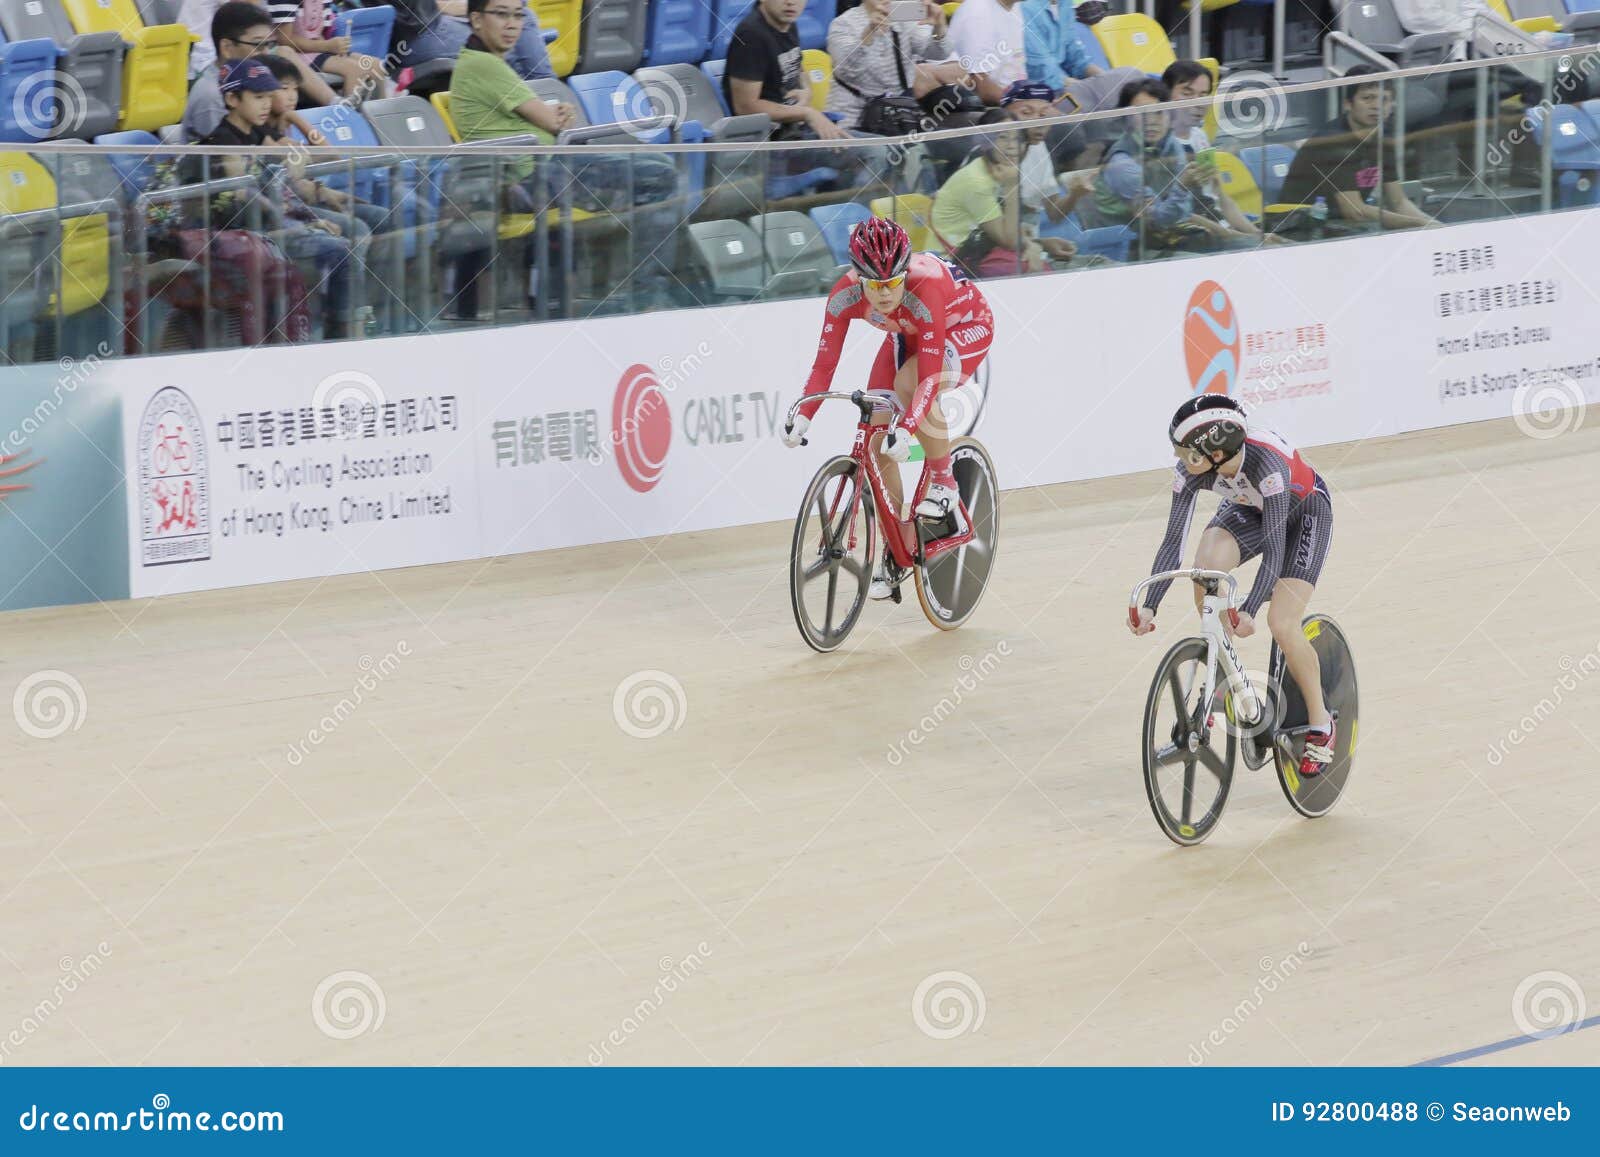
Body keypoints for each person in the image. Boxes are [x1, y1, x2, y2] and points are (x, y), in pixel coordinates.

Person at [781, 218, 995, 599]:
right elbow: (824, 365)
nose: (884, 293)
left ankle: (945, 484)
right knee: (878, 441)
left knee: (907, 385)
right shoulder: (844, 295)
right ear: (856, 277)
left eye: (894, 282)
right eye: (875, 285)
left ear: (905, 272)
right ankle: (898, 543)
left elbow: (926, 381)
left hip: (964, 325)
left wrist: (910, 427)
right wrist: (803, 414)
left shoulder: (924, 286)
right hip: (908, 335)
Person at [1129, 394, 1337, 780]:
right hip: (1252, 507)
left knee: (1282, 623)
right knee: (1205, 568)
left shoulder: (1269, 465)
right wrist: (1150, 606)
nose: (1183, 460)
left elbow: (1275, 552)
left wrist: (1250, 609)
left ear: (1218, 450)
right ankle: (1223, 673)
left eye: (1190, 453)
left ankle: (1322, 724)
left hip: (1304, 513)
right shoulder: (1196, 470)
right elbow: (1173, 541)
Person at [199, 59, 358, 339]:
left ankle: (344, 320)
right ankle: (339, 331)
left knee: (349, 236)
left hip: (274, 219)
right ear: (232, 99)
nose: (266, 104)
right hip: (244, 232)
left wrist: (295, 126)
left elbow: (312, 157)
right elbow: (249, 203)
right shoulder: (223, 140)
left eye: (268, 96)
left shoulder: (259, 133)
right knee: (340, 249)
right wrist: (310, 223)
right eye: (258, 97)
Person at [1077, 78, 1260, 249]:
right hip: (1134, 247)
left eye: (1159, 112)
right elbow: (1160, 220)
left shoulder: (1170, 145)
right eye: (1142, 114)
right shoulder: (1121, 164)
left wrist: (1250, 235)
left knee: (1264, 240)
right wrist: (1183, 187)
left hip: (1174, 233)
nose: (1152, 121)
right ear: (1126, 120)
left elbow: (1184, 212)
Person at [1277, 66, 1437, 231]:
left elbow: (1399, 202)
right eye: (1368, 98)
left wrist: (1437, 226)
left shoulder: (1383, 138)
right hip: (1300, 227)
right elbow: (1356, 211)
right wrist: (1420, 224)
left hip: (1340, 224)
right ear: (1348, 104)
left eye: (1384, 99)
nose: (1376, 106)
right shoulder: (1333, 142)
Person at [183, 2, 337, 142]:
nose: (266, 53)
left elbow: (327, 156)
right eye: (258, 45)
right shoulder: (212, 96)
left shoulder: (253, 81)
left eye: (269, 44)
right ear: (227, 48)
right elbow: (226, 165)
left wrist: (292, 116)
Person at [825, 0, 964, 129]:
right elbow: (849, 69)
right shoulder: (843, 24)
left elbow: (937, 53)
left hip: (898, 115)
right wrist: (869, 34)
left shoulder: (904, 16)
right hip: (853, 121)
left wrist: (938, 28)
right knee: (881, 153)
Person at [726, 0, 847, 140]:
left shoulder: (787, 23)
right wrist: (806, 113)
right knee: (871, 153)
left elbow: (797, 65)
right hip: (770, 141)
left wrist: (806, 91)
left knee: (868, 148)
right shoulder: (751, 35)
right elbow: (745, 107)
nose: (791, 2)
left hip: (794, 129)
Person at [383, 0, 557, 82]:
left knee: (523, 16)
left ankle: (549, 94)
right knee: (502, 46)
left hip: (437, 20)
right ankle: (546, 102)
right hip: (412, 35)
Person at [268, 0, 390, 103]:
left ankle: (379, 120)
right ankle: (349, 121)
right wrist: (327, 46)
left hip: (316, 49)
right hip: (292, 54)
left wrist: (336, 48)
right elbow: (284, 39)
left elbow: (319, 34)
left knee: (376, 65)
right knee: (354, 69)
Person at [949, 0, 1029, 105]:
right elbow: (982, 87)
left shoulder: (1015, 7)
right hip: (989, 110)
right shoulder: (977, 10)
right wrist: (1026, 106)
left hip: (1014, 102)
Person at [1022, 0, 1103, 90]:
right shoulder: (1026, 7)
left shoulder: (1065, 4)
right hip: (1037, 92)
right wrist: (1089, 90)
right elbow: (1043, 73)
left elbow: (1076, 58)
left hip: (1062, 85)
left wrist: (1107, 79)